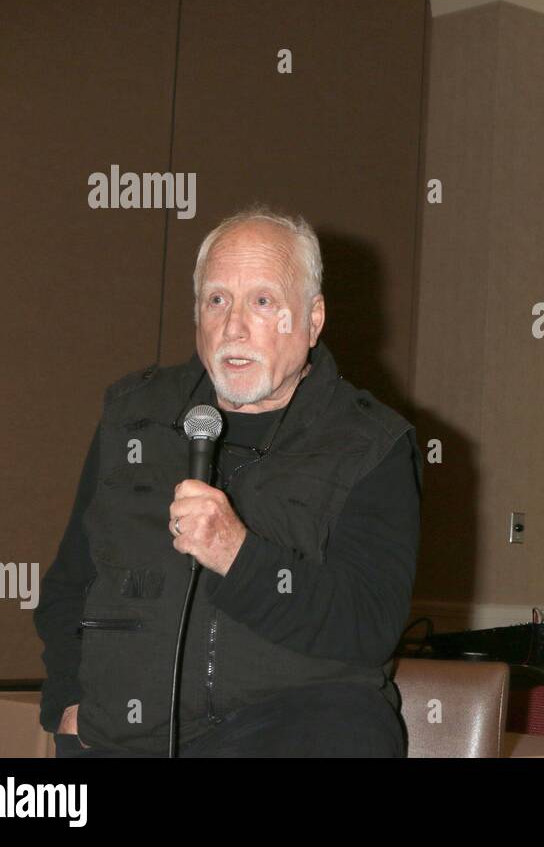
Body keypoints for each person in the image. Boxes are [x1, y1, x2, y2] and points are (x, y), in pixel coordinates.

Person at [34, 206, 422, 757]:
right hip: (127, 739)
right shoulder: (136, 415)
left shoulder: (369, 443)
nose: (233, 326)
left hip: (297, 729)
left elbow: (367, 623)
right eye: (217, 300)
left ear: (312, 320)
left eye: (262, 302)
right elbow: (71, 584)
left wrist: (237, 556)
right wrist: (68, 704)